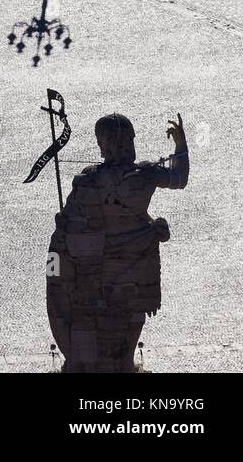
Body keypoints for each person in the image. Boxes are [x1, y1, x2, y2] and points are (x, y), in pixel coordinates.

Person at [47, 113, 188, 372]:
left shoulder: (87, 181)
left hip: (93, 282)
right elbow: (179, 177)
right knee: (126, 346)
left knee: (88, 343)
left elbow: (66, 234)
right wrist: (180, 144)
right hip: (136, 283)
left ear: (103, 144)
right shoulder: (146, 175)